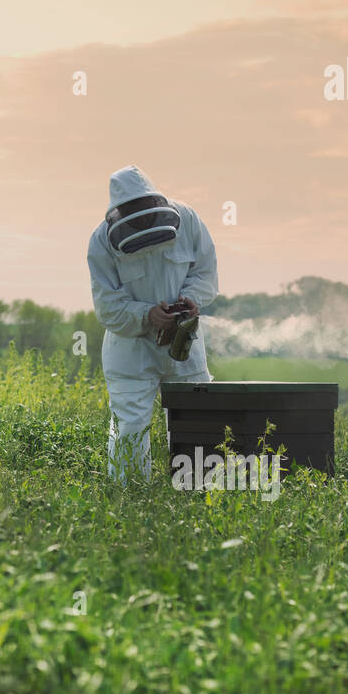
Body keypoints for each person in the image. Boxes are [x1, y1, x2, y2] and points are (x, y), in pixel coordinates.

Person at [87, 166, 219, 483]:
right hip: (130, 348)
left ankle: (197, 489)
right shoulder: (100, 242)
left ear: (155, 202)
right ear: (119, 214)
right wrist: (147, 315)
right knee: (130, 426)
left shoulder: (187, 219)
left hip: (183, 343)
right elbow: (107, 308)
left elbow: (206, 275)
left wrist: (188, 300)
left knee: (196, 419)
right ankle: (130, 496)